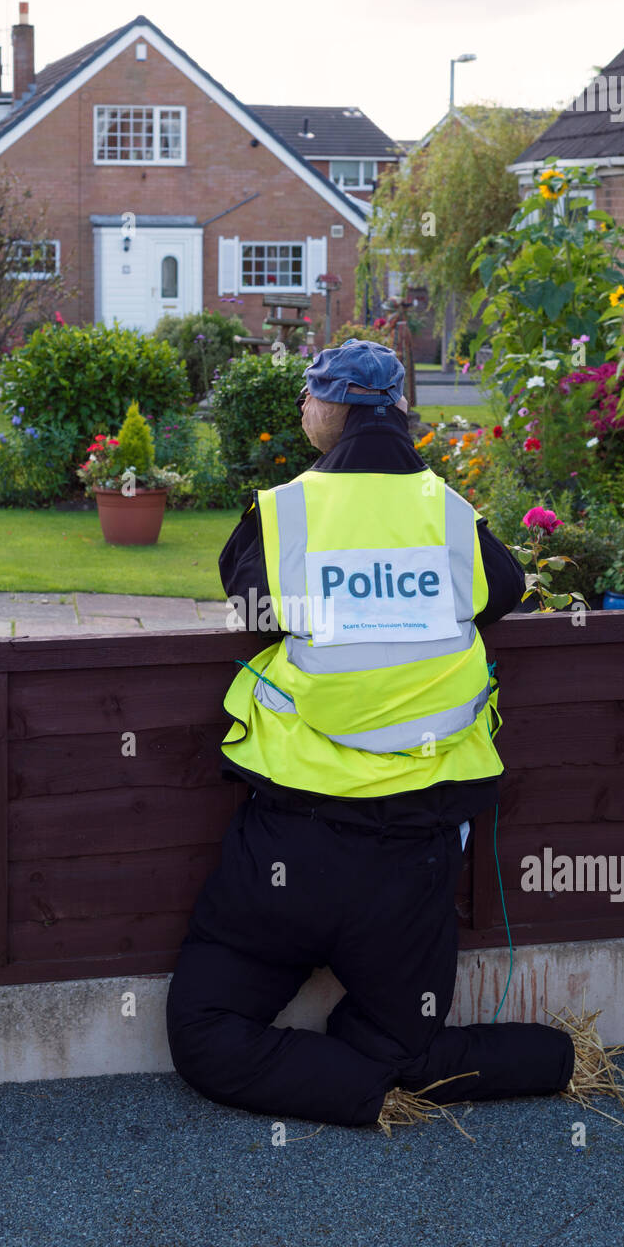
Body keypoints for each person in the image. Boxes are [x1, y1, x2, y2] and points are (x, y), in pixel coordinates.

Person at [166, 339, 574, 1128]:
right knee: (401, 1039)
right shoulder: (450, 513)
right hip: (416, 847)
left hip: (293, 841)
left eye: (306, 399)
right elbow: (506, 589)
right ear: (395, 414)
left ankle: (367, 1087)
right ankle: (549, 1059)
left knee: (207, 1038)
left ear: (331, 408)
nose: (301, 412)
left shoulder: (285, 511)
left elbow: (251, 612)